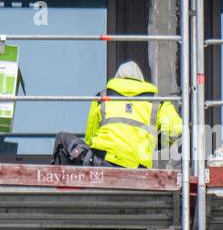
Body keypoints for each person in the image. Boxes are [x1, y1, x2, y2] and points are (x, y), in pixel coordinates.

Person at [52, 61, 183, 169]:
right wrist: (156, 141)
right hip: (138, 168)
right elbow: (176, 130)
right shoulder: (158, 102)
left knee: (61, 138)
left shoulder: (103, 96)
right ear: (141, 81)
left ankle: (59, 190)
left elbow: (90, 136)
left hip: (102, 162)